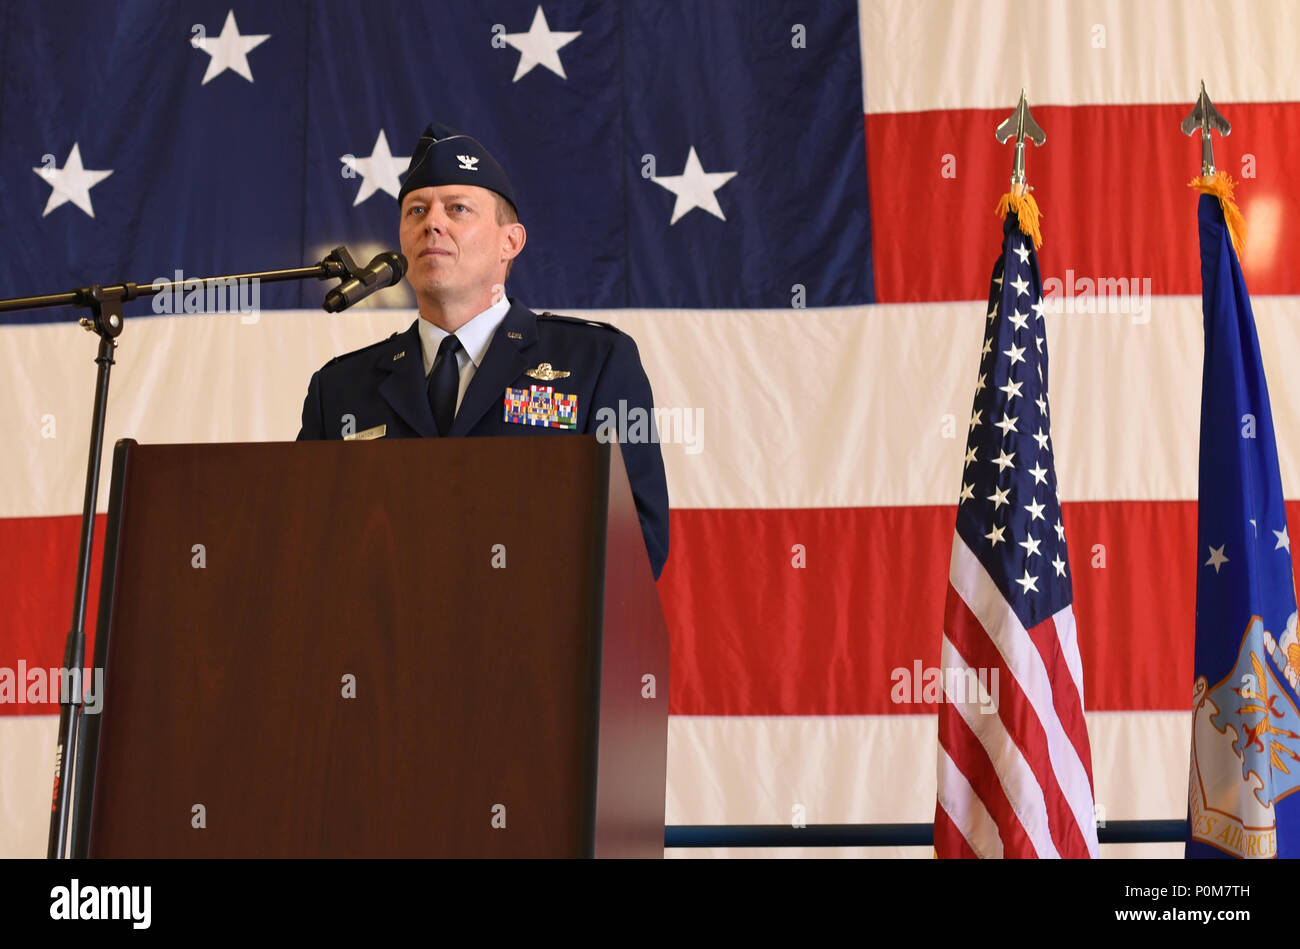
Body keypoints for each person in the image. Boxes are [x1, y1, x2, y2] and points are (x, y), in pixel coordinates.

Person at [296, 122, 669, 579]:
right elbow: (306, 543)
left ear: (510, 242)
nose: (432, 222)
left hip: (532, 645)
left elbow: (638, 541)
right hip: (380, 645)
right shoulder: (340, 390)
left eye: (458, 209)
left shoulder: (594, 364)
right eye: (416, 211)